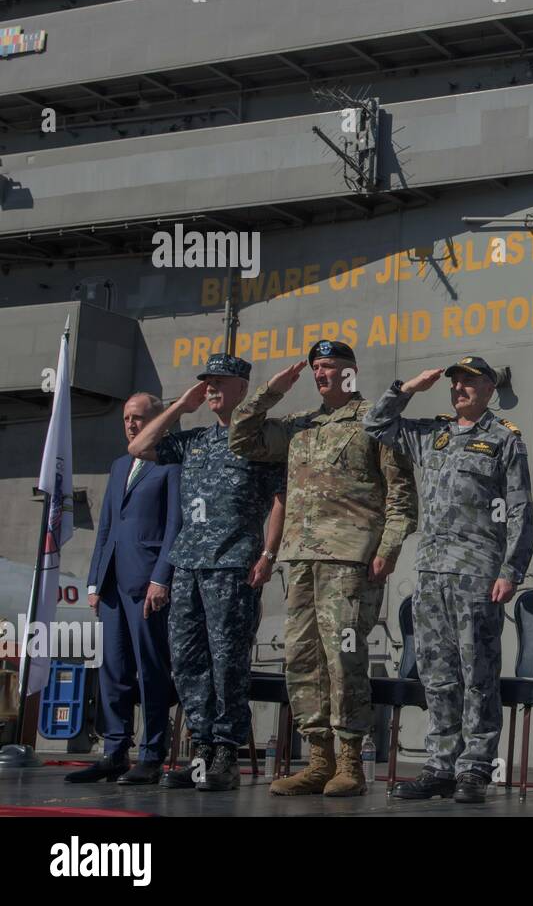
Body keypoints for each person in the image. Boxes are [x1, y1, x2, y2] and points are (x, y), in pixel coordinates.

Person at [228, 339, 415, 797]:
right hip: (300, 560)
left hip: (350, 560)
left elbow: (401, 494)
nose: (321, 374)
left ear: (350, 371)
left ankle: (350, 761)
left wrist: (388, 549)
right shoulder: (299, 425)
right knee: (301, 658)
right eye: (316, 367)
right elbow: (242, 438)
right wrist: (272, 390)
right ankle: (317, 760)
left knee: (343, 657)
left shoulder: (375, 420)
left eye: (329, 366)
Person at [363, 356, 533, 803]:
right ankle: (440, 765)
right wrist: (408, 389)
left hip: (477, 574)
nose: (459, 388)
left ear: (490, 389)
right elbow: (376, 424)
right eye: (455, 382)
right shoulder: (432, 434)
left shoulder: (504, 440)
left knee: (478, 674)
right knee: (437, 674)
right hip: (431, 574)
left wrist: (511, 570)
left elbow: (520, 510)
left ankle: (475, 767)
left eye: (469, 382)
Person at [127, 354, 286, 792]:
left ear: (242, 388)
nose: (212, 388)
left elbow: (281, 498)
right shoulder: (194, 440)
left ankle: (226, 754)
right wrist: (181, 406)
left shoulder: (258, 441)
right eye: (207, 382)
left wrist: (269, 554)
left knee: (227, 662)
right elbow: (139, 449)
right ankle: (201, 750)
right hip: (188, 566)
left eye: (220, 381)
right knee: (188, 660)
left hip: (233, 566)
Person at [66, 394, 181, 786]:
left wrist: (161, 578)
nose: (132, 425)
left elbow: (174, 526)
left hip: (146, 584)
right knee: (113, 670)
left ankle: (151, 754)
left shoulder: (170, 465)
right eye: (128, 419)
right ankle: (114, 751)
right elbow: (106, 528)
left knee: (150, 670)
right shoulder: (119, 466)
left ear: (158, 420)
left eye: (140, 418)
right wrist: (95, 581)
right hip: (113, 585)